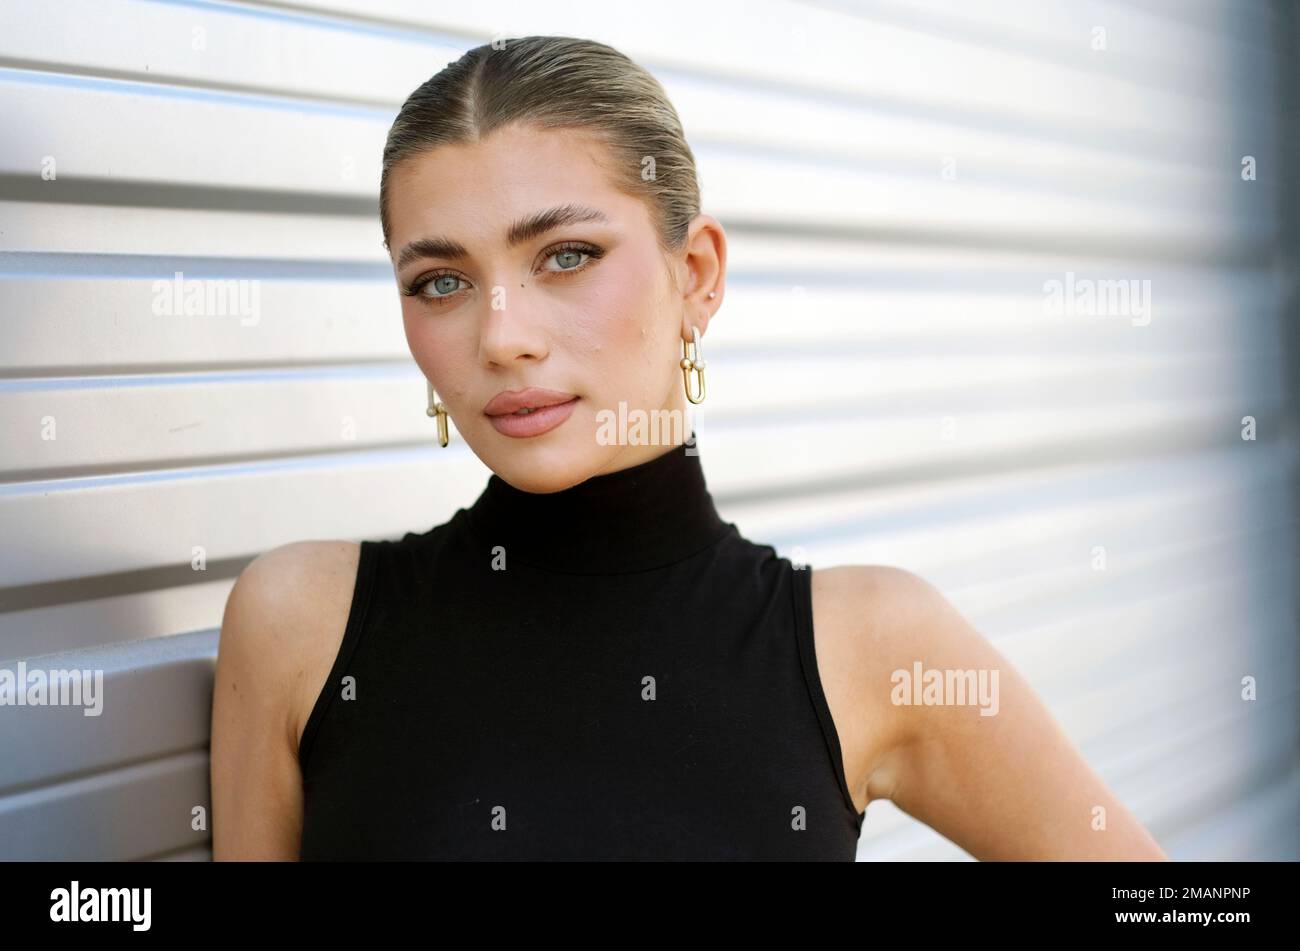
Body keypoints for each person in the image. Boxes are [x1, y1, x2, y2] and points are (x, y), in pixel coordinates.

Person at [210, 35, 1167, 861]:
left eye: (567, 256)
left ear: (696, 273)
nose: (502, 336)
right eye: (440, 281)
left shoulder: (867, 641)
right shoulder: (304, 623)